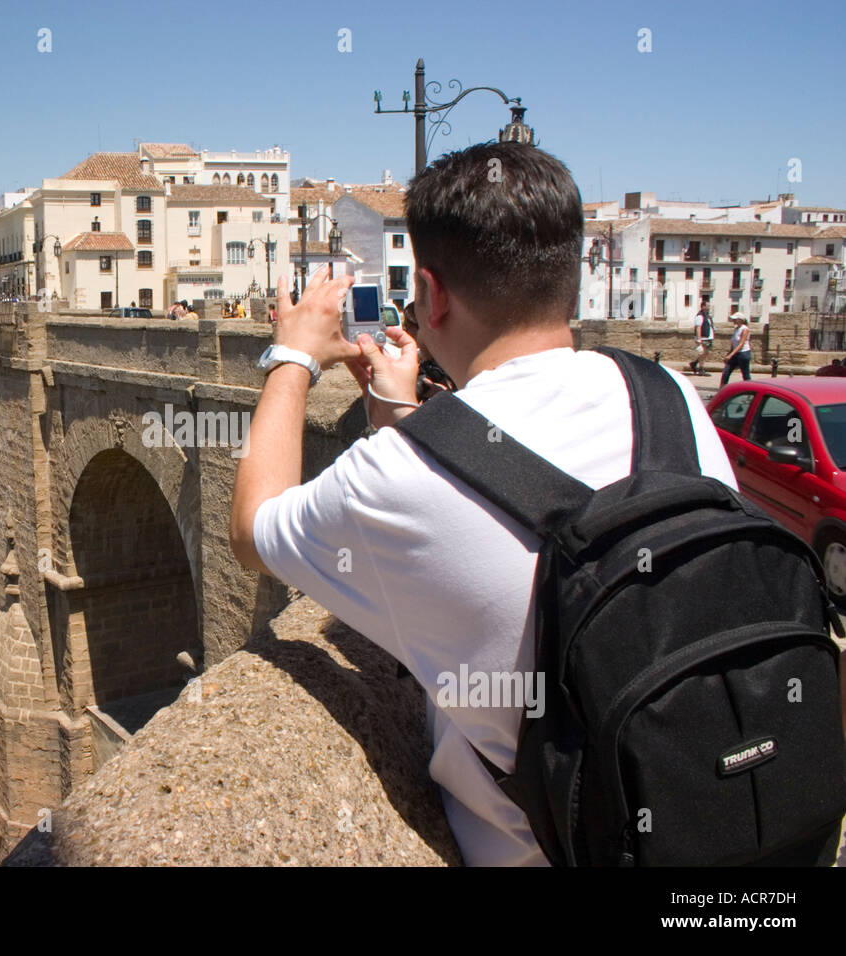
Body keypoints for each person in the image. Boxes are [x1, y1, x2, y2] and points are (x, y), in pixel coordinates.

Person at [229, 142, 737, 866]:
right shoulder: (669, 395)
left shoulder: (397, 477)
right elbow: (487, 488)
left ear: (431, 295)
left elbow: (252, 527)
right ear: (573, 275)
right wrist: (405, 414)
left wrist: (292, 358)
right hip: (736, 824)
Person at [720, 313, 752, 385]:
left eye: (735, 319)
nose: (733, 320)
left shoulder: (745, 329)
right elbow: (733, 342)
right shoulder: (736, 329)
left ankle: (750, 390)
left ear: (740, 320)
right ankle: (722, 390)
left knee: (745, 375)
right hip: (735, 354)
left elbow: (741, 344)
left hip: (743, 354)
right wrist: (729, 352)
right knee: (726, 372)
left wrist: (731, 355)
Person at [690, 299, 713, 374]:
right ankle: (701, 368)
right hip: (703, 338)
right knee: (703, 353)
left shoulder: (707, 316)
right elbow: (698, 327)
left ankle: (695, 363)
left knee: (706, 353)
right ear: (703, 307)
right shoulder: (700, 316)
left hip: (708, 337)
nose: (709, 307)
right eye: (707, 306)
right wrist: (699, 340)